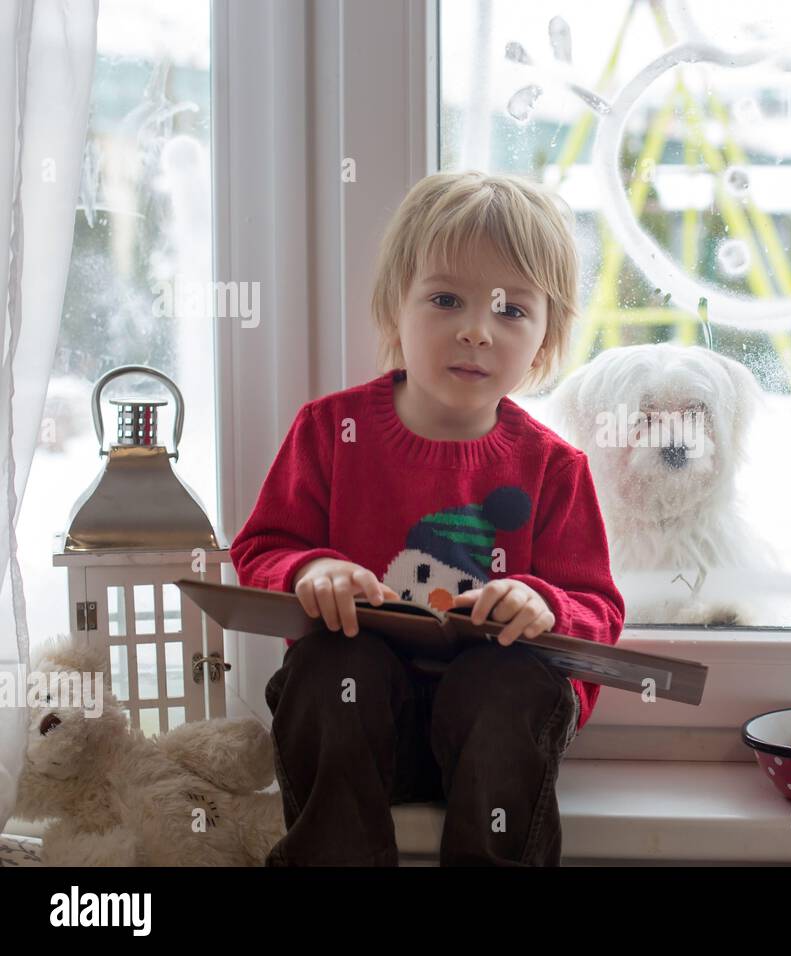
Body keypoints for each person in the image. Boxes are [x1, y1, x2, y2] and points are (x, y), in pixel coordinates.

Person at [228, 170, 625, 866]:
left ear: (546, 337)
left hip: (497, 749)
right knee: (333, 659)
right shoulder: (330, 431)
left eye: (510, 311)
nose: (476, 330)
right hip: (359, 734)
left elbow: (599, 609)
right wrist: (311, 570)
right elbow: (262, 547)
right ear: (394, 309)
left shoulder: (555, 467)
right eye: (446, 299)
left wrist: (541, 601)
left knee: (508, 677)